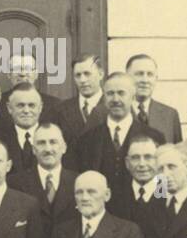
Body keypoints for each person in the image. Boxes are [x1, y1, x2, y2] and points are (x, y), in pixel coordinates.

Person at [65, 72, 165, 200]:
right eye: (110, 93)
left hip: (142, 213)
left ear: (133, 96)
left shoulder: (154, 137)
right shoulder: (87, 140)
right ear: (104, 97)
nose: (116, 99)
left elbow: (162, 181)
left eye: (121, 93)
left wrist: (159, 208)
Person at [8, 123, 79, 229]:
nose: (48, 149)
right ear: (33, 150)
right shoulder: (15, 184)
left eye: (53, 142)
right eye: (41, 143)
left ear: (64, 147)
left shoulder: (78, 182)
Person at [126, 54, 182, 144]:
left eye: (150, 74)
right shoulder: (111, 114)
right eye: (139, 74)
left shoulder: (170, 115)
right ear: (127, 78)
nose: (145, 80)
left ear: (156, 79)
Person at [55, 54, 106, 145]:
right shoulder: (61, 110)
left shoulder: (111, 107)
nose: (82, 80)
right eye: (78, 75)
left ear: (101, 74)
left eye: (87, 74)